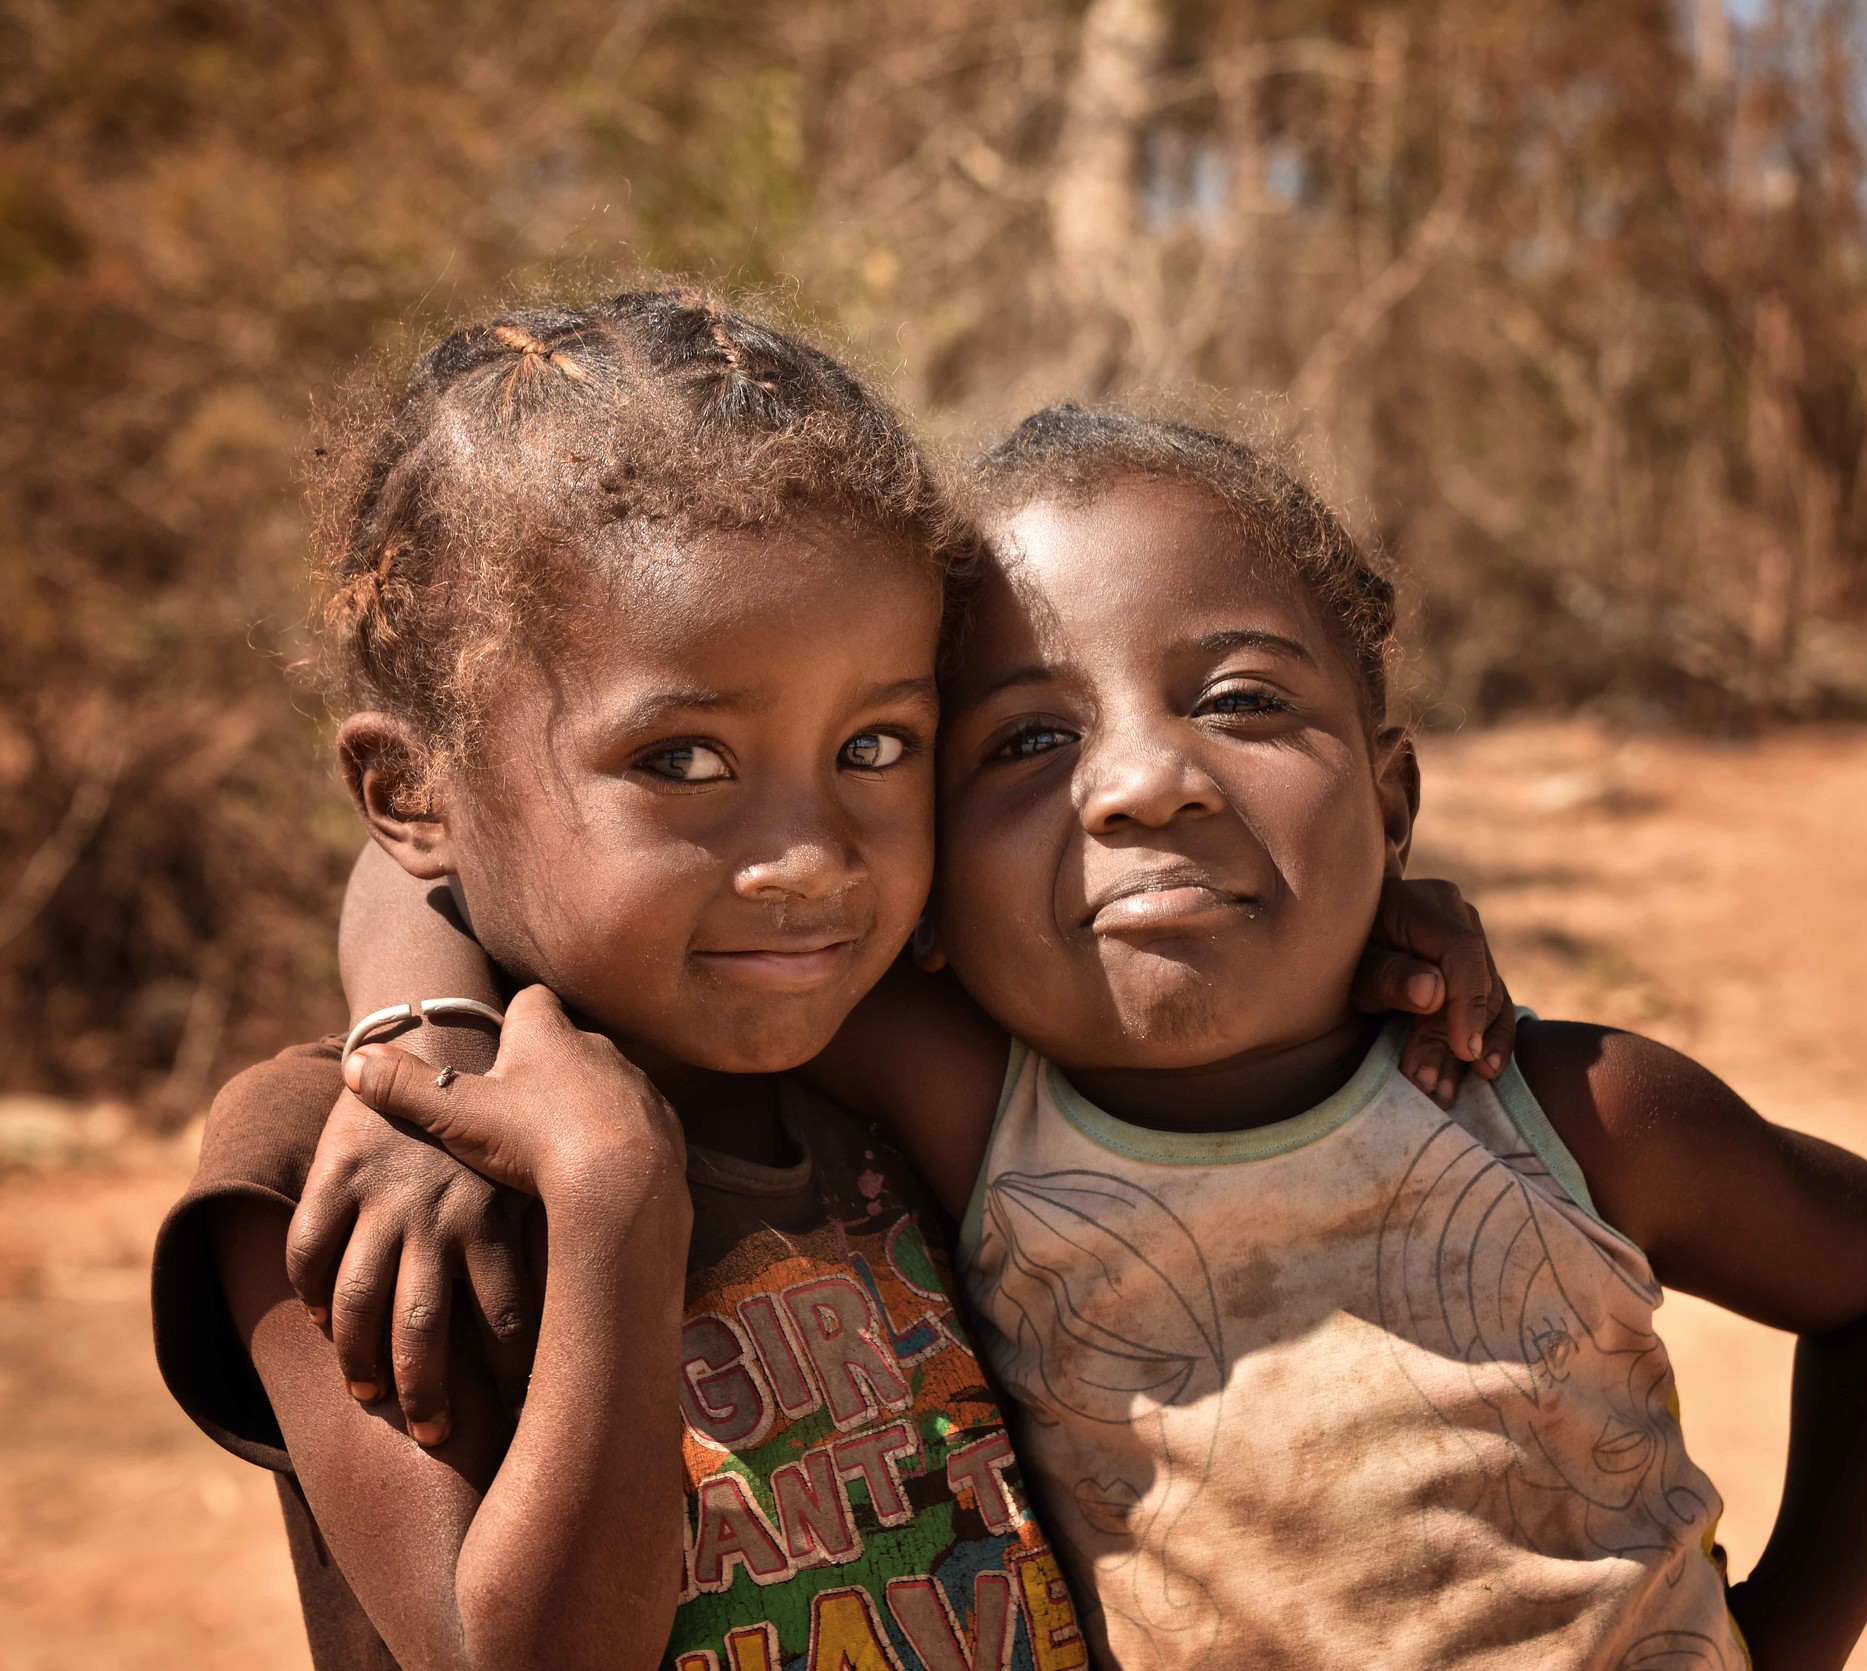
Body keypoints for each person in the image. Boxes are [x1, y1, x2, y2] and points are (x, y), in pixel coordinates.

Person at [321, 405, 1867, 1671]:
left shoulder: (1566, 1113)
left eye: (1245, 703)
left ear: (1392, 798)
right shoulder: (962, 1101)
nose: (1144, 783)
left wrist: (1785, 1639)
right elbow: (483, 847)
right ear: (931, 886)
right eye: (1027, 740)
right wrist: (419, 1045)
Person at [150, 298, 1513, 1671]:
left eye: (874, 745)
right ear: (407, 789)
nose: (808, 857)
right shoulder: (342, 1178)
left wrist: (1376, 920)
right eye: (684, 762)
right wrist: (607, 1190)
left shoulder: (883, 1047)